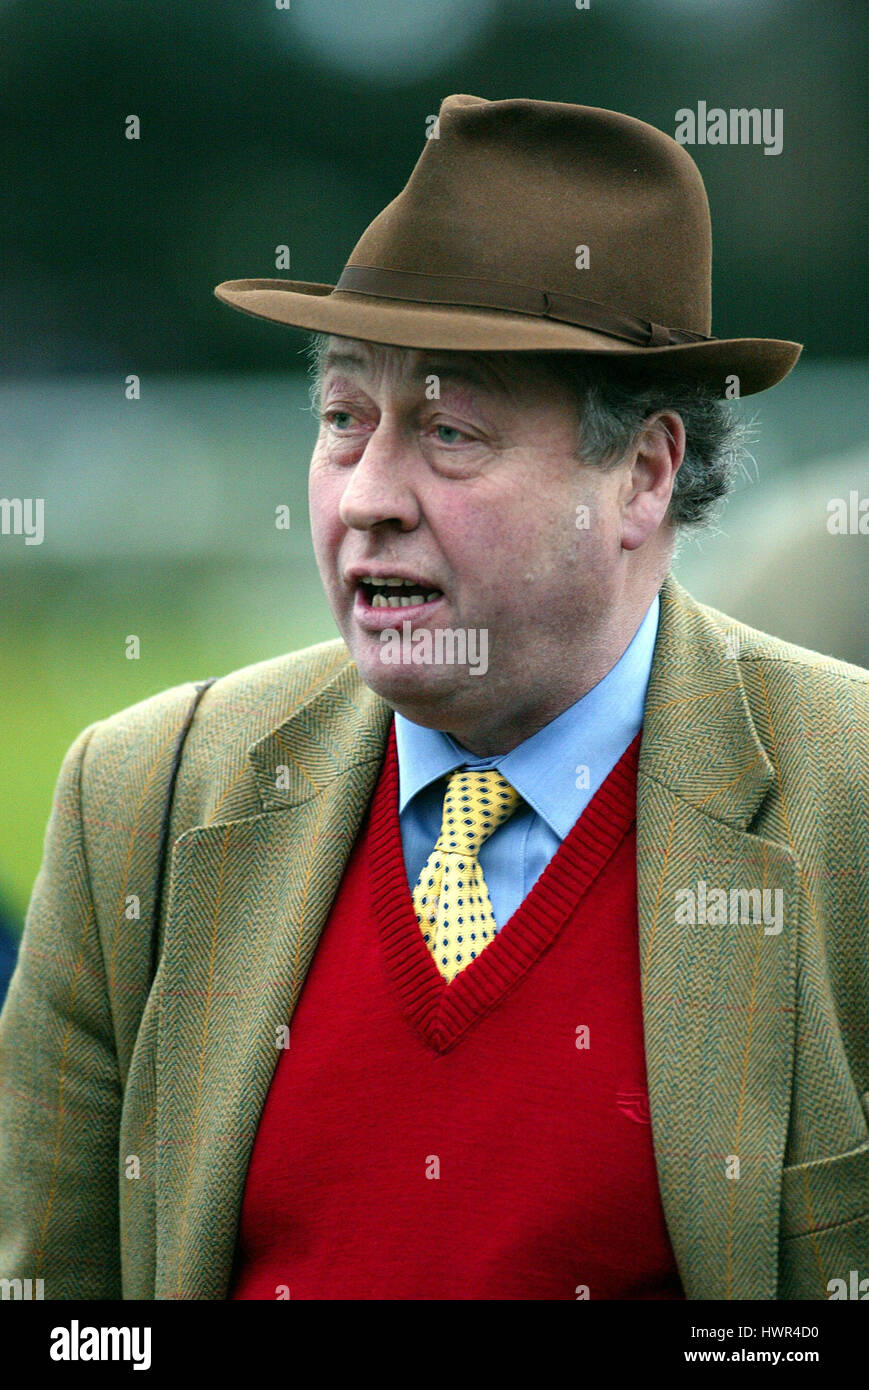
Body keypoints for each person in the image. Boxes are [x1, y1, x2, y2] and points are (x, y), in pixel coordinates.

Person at [1, 93, 867, 1302]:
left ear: (642, 474)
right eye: (343, 417)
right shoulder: (139, 799)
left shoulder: (848, 803)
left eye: (450, 430)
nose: (367, 495)